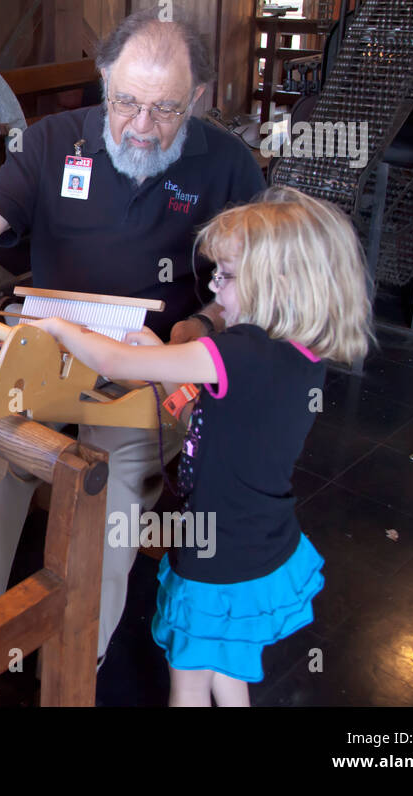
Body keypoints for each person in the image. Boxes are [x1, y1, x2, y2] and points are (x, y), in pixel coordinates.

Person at [0, 5, 266, 661]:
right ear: (105, 80)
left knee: (109, 481)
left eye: (166, 110)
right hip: (46, 349)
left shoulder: (229, 166)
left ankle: (73, 664)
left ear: (199, 98)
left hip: (151, 366)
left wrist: (202, 325)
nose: (141, 127)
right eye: (127, 102)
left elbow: (257, 286)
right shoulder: (54, 141)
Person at [32, 187, 373, 705]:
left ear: (278, 283)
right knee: (225, 664)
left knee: (188, 683)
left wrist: (62, 326)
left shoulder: (236, 350)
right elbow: (209, 416)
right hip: (262, 540)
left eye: (228, 276)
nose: (215, 286)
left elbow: (116, 366)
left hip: (216, 554)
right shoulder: (300, 352)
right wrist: (161, 353)